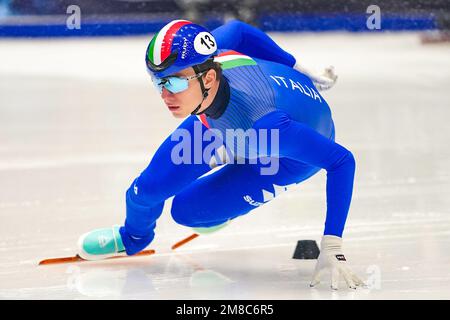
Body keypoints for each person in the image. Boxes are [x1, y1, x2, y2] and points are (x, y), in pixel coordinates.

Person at [77, 19, 364, 290]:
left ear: (210, 77)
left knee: (188, 212)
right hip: (220, 120)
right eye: (158, 83)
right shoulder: (210, 58)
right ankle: (134, 237)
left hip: (282, 155)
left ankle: (223, 205)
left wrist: (332, 244)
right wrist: (296, 65)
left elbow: (341, 161)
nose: (166, 95)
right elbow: (239, 30)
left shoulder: (268, 127)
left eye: (175, 82)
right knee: (145, 191)